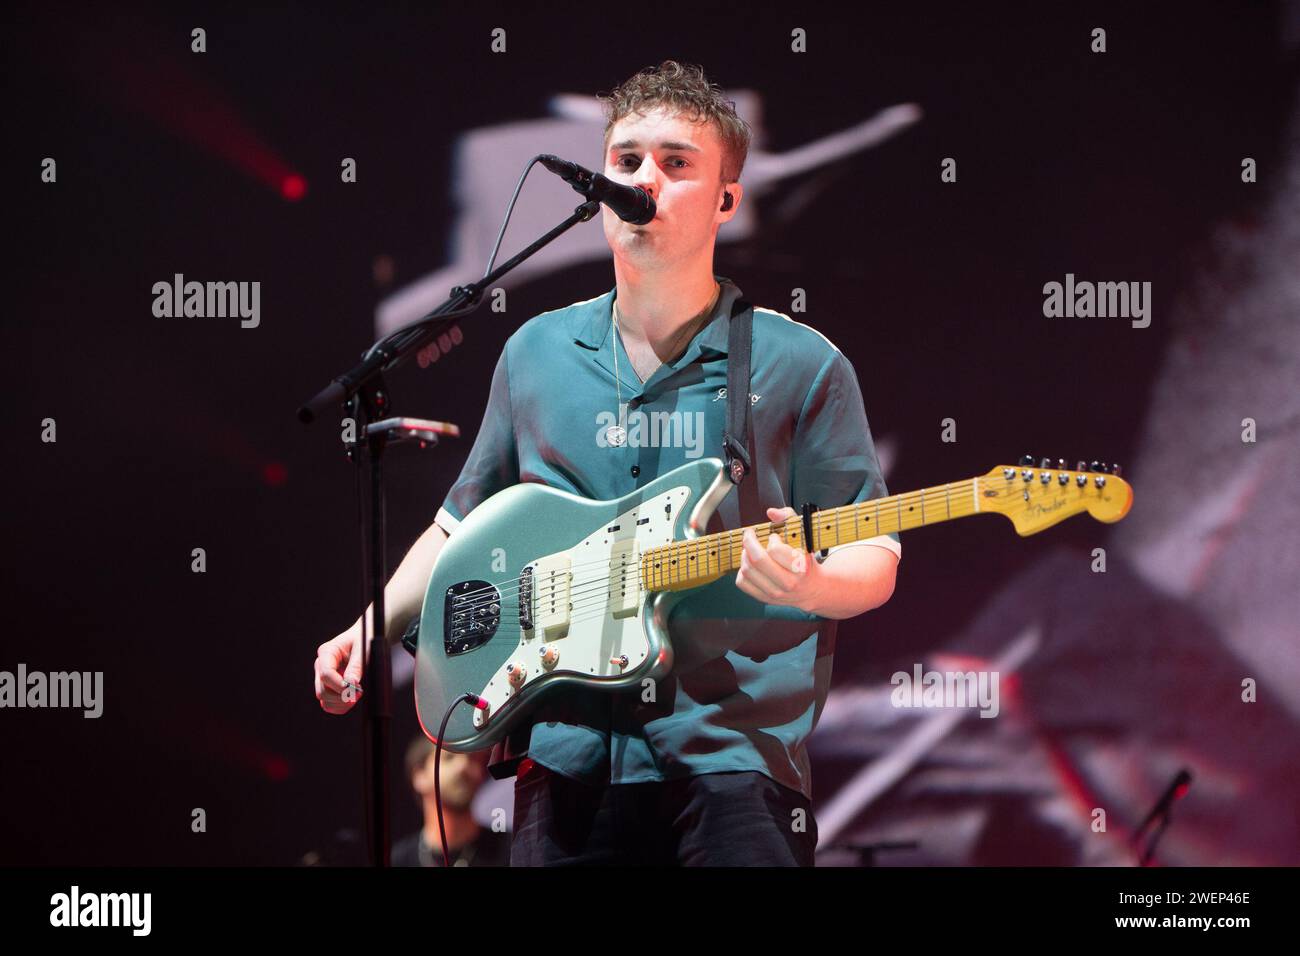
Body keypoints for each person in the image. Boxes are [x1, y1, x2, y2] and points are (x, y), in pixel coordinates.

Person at [315, 60, 900, 866]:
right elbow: (459, 526)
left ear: (727, 199)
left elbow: (875, 551)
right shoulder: (535, 352)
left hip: (731, 762)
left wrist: (811, 584)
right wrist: (370, 626)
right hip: (564, 756)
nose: (642, 179)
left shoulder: (800, 362)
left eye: (675, 162)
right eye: (625, 161)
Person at [391, 737, 511, 867]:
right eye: (449, 757)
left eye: (473, 758)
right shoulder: (397, 860)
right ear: (420, 776)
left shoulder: (510, 849)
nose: (464, 765)